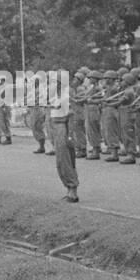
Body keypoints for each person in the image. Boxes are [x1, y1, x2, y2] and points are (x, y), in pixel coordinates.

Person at [48, 74, 78, 202]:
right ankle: (68, 188)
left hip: (62, 128)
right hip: (56, 127)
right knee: (60, 161)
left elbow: (71, 117)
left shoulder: (65, 97)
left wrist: (70, 135)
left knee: (66, 160)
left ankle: (73, 190)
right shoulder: (56, 96)